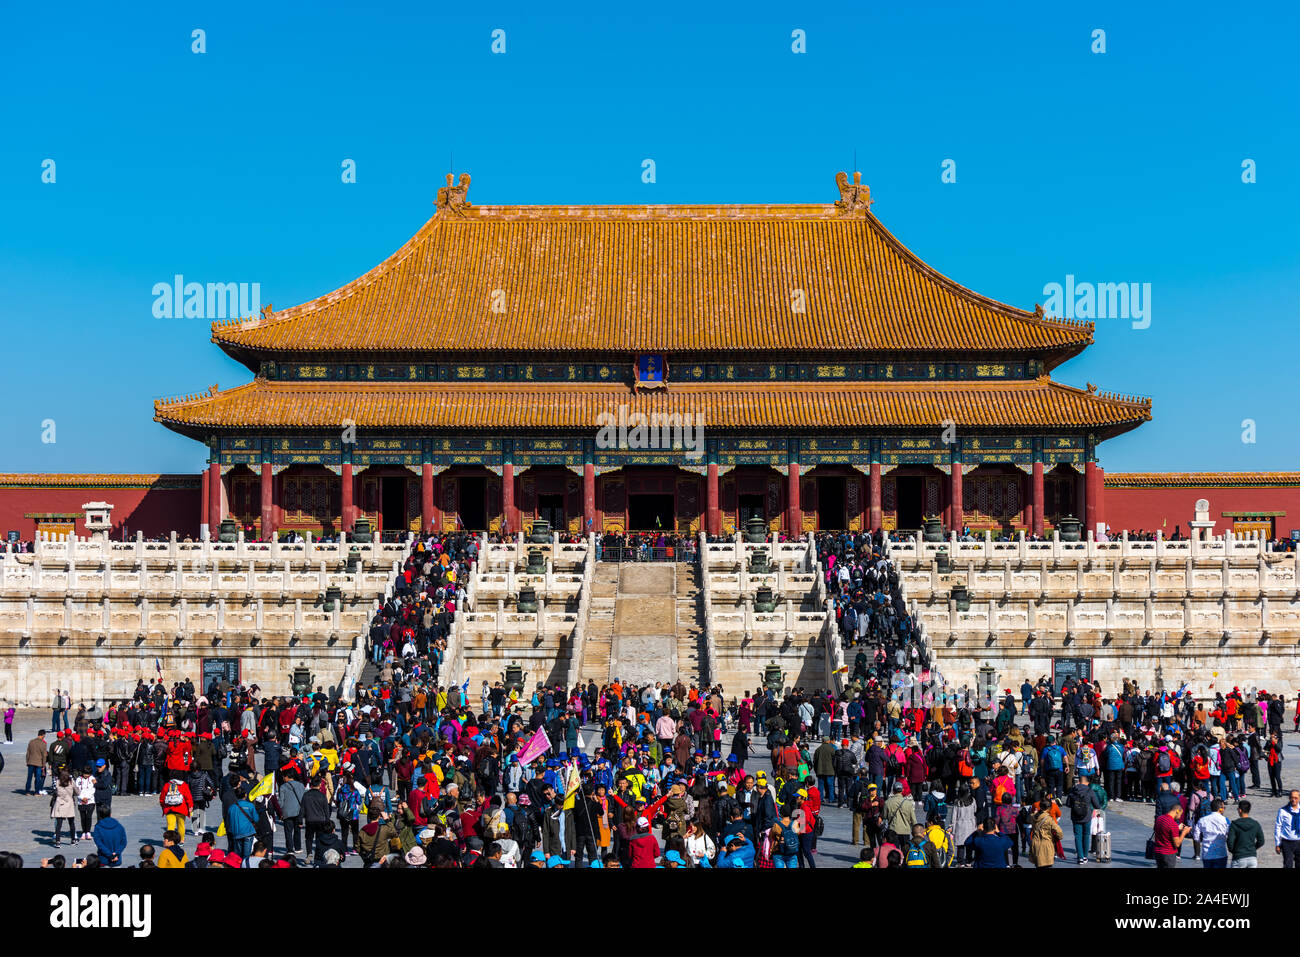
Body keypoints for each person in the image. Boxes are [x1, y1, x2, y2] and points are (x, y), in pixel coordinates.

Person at [1190, 798, 1229, 868]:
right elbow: (1229, 833)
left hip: (1207, 854)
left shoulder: (1202, 820)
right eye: (1223, 808)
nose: (1224, 809)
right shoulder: (1225, 820)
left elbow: (1196, 836)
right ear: (1220, 809)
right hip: (1221, 853)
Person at [1226, 800, 1264, 868]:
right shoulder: (1255, 824)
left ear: (1240, 810)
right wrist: (1253, 848)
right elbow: (1261, 841)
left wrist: (1235, 851)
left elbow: (1230, 842)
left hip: (1239, 857)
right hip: (1252, 858)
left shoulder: (1234, 824)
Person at [1152, 803, 1190, 869]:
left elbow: (1162, 830)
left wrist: (1176, 829)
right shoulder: (1173, 824)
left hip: (1158, 852)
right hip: (1168, 854)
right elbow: (1177, 844)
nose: (1180, 817)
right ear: (1177, 811)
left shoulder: (1159, 818)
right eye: (1180, 814)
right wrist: (1184, 832)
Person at [1029, 798, 1063, 868]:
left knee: (1038, 864)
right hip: (1046, 845)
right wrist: (1058, 837)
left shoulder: (1033, 816)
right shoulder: (1049, 819)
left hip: (1035, 844)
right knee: (1047, 865)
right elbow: (1059, 832)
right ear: (1049, 808)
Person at [49, 769, 77, 846]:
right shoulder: (71, 782)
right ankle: (73, 840)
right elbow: (77, 792)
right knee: (71, 823)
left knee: (59, 824)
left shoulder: (57, 782)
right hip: (69, 803)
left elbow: (55, 791)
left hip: (60, 804)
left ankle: (58, 841)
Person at [1274, 789, 1300, 868]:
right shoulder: (1283, 811)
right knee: (1287, 865)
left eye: (1296, 798)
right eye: (1292, 798)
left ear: (1299, 798)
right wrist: (1277, 844)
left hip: (1299, 842)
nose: (1293, 800)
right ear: (1289, 798)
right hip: (1287, 843)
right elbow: (1278, 827)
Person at [25, 730, 47, 795]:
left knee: (29, 777)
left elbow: (28, 753)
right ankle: (36, 792)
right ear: (43, 735)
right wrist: (43, 765)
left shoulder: (31, 742)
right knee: (37, 778)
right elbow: (44, 756)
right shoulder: (43, 744)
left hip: (31, 762)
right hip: (39, 763)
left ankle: (27, 791)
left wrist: (27, 761)